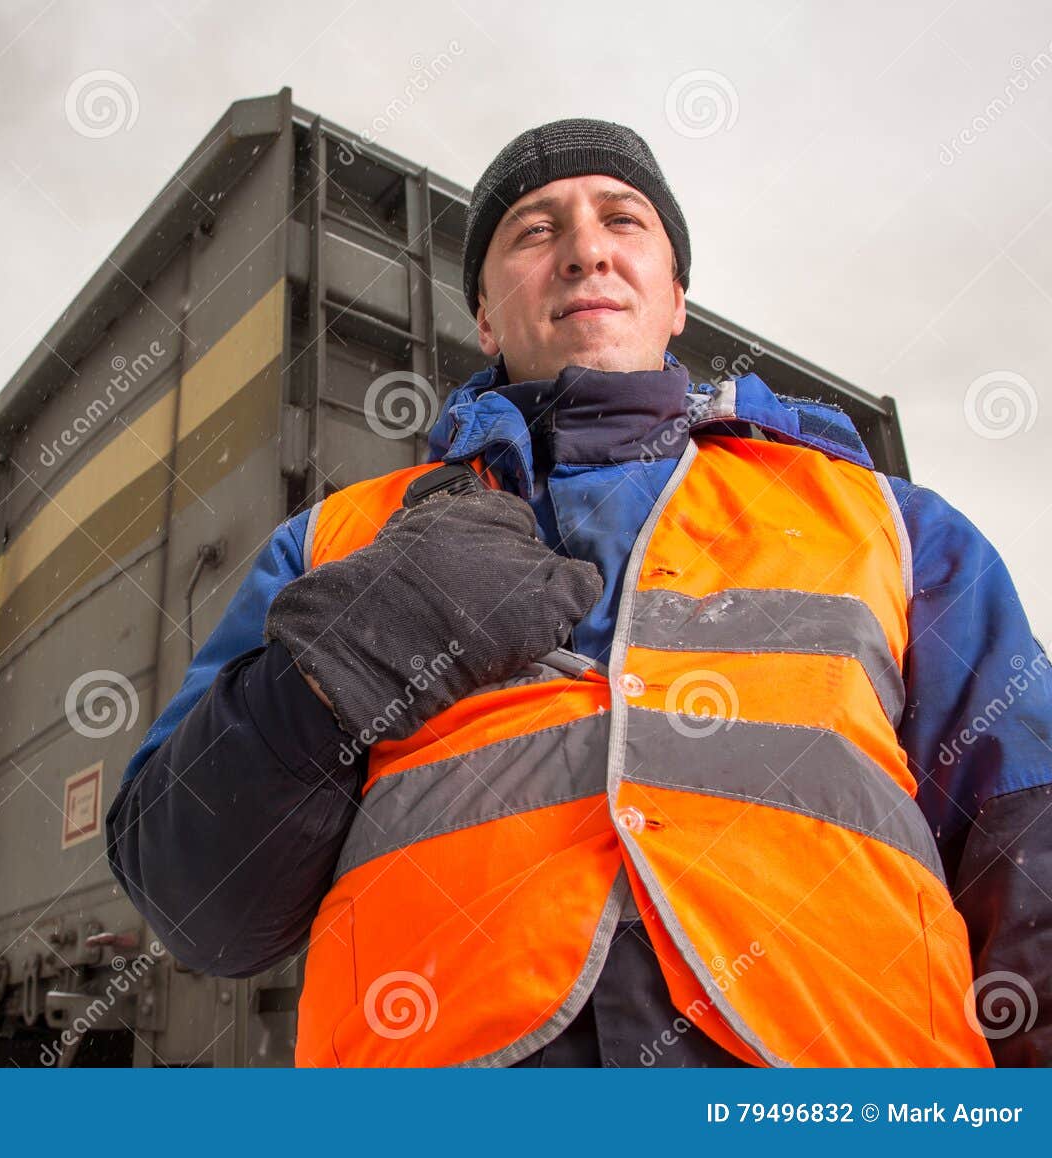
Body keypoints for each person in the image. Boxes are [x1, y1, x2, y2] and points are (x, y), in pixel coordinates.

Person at [105, 118, 1052, 1067]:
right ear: (482, 315)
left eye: (623, 220)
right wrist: (345, 658)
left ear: (676, 296)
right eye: (533, 230)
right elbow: (199, 910)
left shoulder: (892, 527)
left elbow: (1031, 851)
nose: (585, 250)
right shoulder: (336, 543)